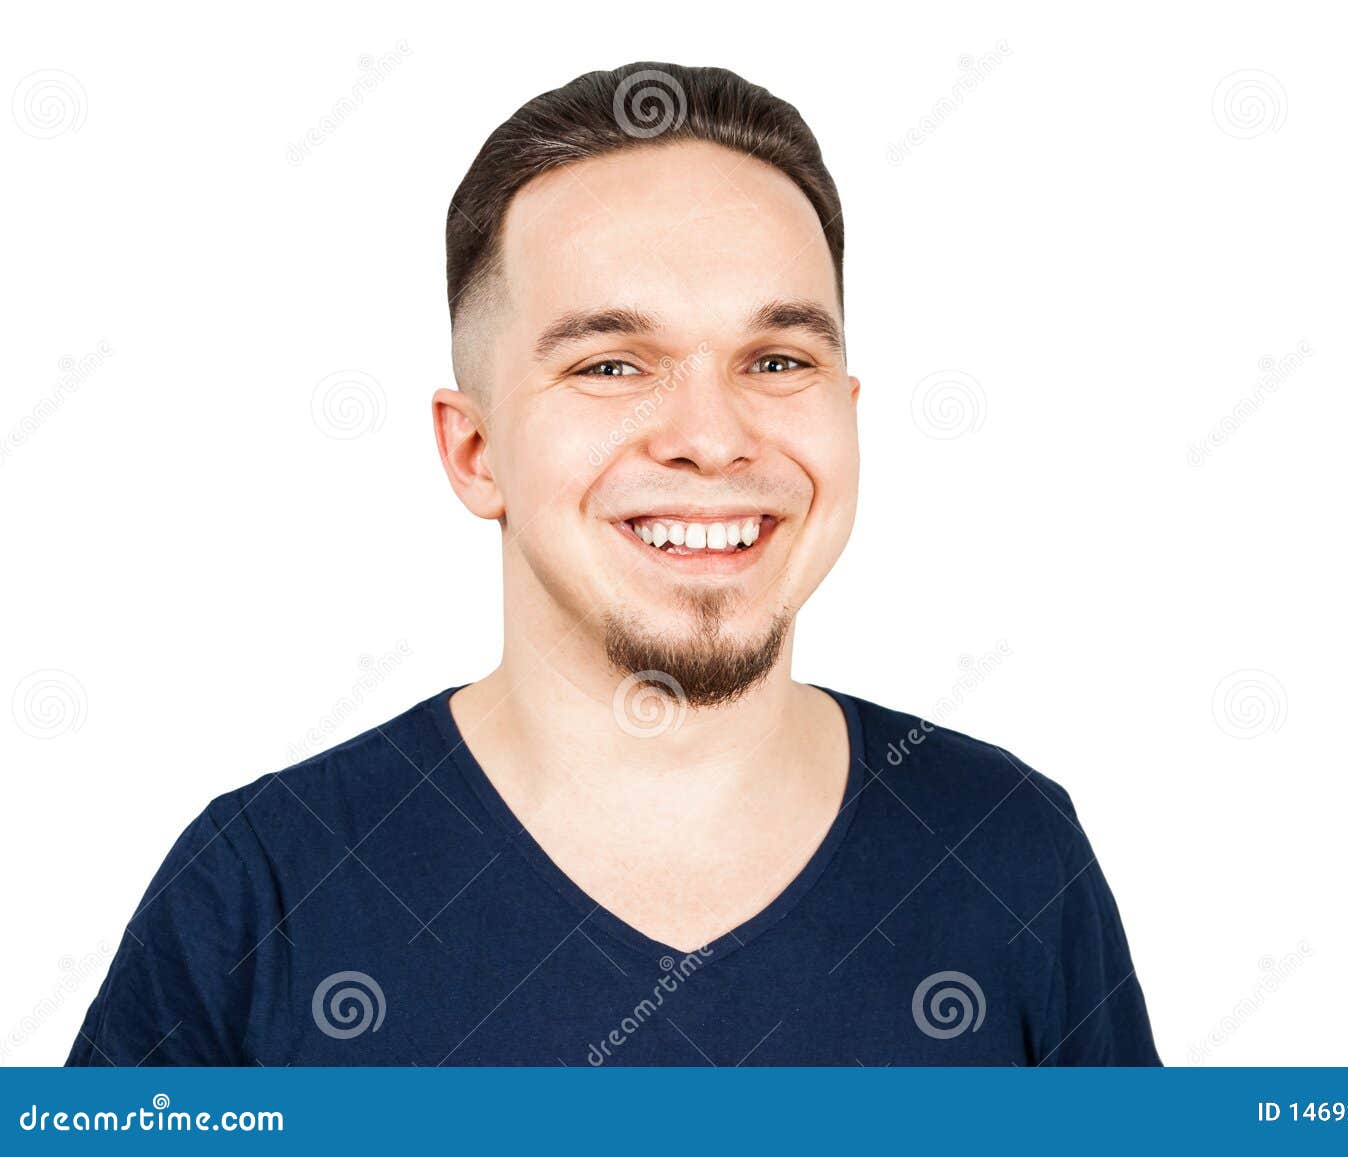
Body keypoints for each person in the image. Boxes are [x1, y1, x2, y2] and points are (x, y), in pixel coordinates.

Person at [67, 61, 1159, 1066]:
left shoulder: (1008, 852)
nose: (712, 435)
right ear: (475, 448)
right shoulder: (261, 893)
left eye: (777, 359)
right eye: (611, 363)